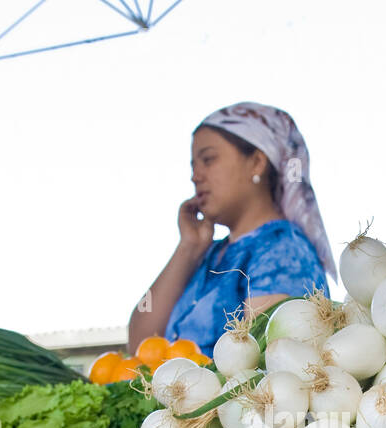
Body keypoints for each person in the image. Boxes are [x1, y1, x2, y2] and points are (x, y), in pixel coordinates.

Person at [127, 102, 336, 356]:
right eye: (193, 165)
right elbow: (139, 342)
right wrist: (188, 249)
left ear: (257, 162)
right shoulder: (208, 254)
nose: (196, 176)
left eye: (208, 159)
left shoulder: (283, 251)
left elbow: (260, 361)